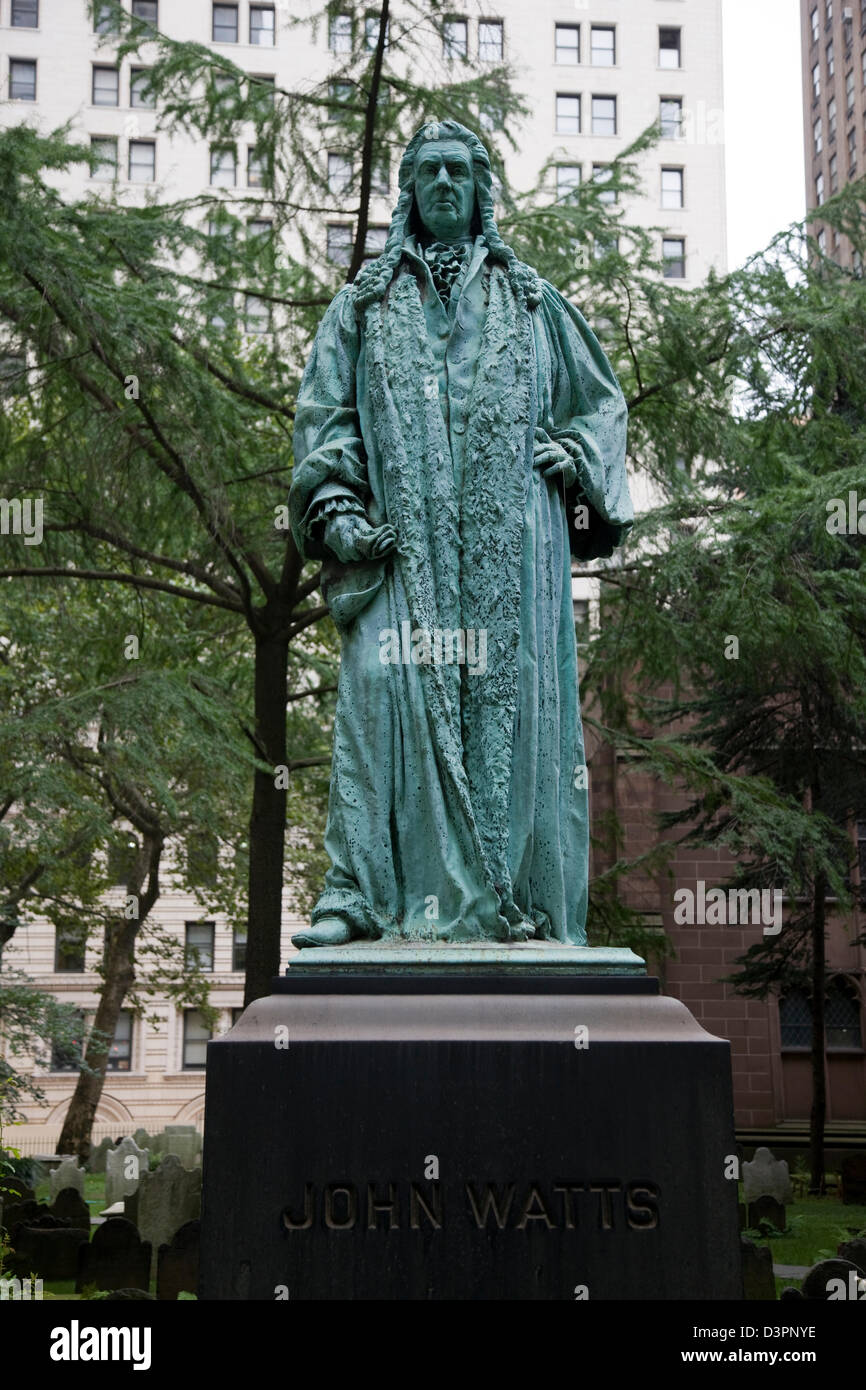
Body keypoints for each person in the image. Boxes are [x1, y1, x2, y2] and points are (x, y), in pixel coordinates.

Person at [289, 119, 632, 948]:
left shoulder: (531, 298)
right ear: (410, 190)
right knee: (377, 694)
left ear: (483, 192)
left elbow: (601, 404)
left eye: (460, 173)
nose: (445, 185)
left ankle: (520, 904)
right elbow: (325, 416)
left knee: (512, 714)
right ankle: (360, 895)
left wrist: (574, 457)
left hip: (512, 549)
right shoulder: (364, 306)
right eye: (429, 173)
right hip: (399, 551)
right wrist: (335, 509)